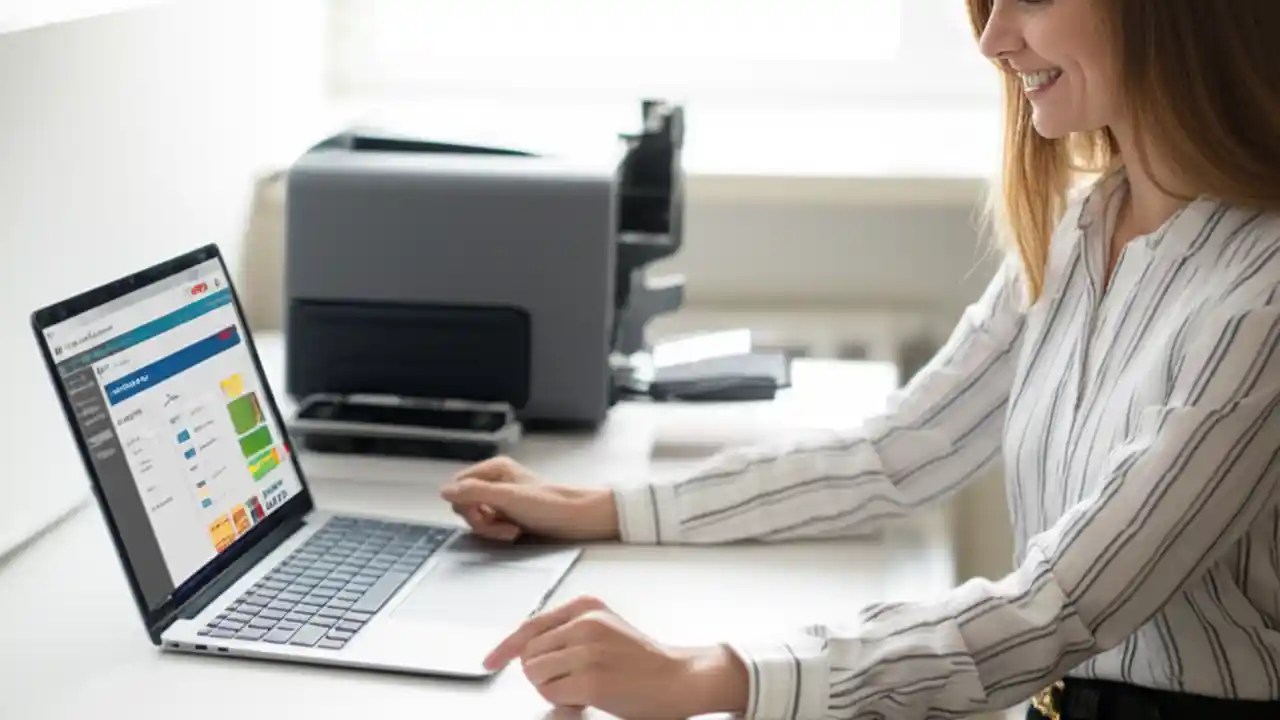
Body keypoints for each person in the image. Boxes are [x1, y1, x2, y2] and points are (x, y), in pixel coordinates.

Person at [440, 1, 1280, 717]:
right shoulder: (1089, 222)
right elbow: (891, 454)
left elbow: (1059, 606)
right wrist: (606, 507)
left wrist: (713, 674)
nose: (991, 39)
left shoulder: (1260, 295)